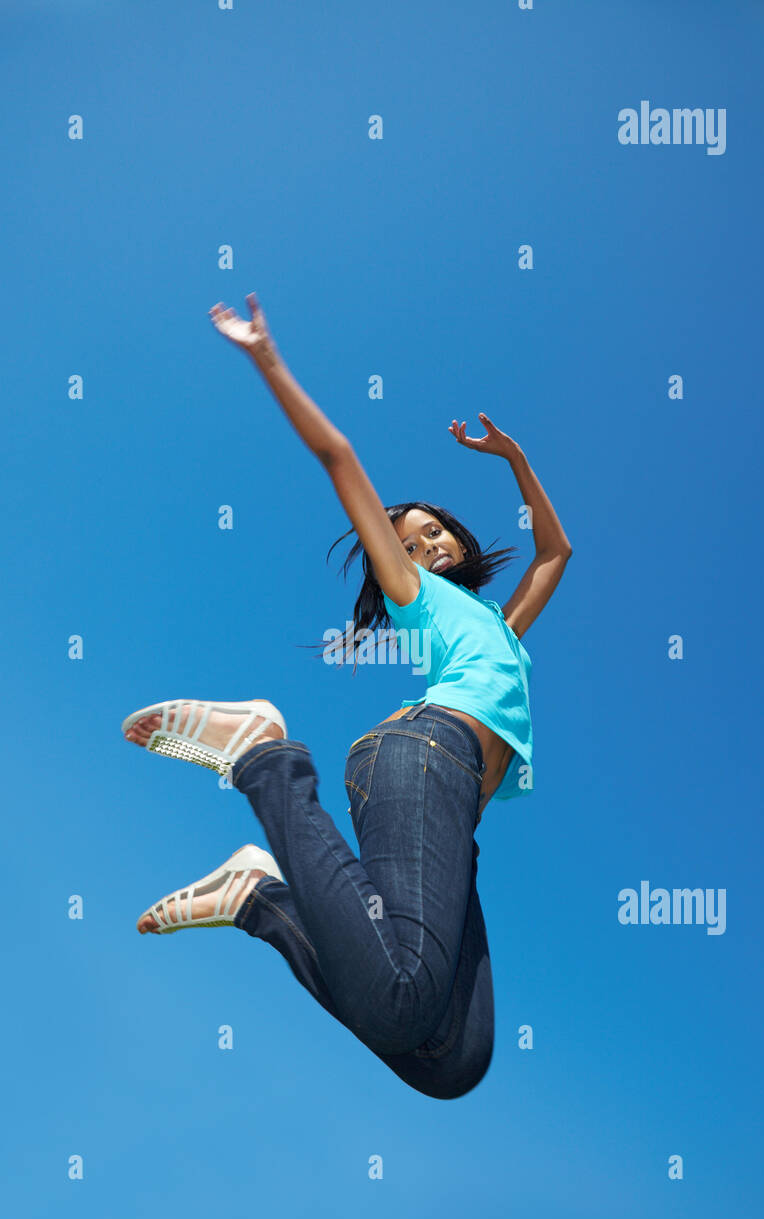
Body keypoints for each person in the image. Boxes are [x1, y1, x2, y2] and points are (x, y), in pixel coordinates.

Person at [121, 294, 572, 1100]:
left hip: (453, 804)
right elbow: (339, 456)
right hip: (423, 759)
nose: (426, 543)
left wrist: (513, 458)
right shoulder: (417, 598)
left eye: (436, 531)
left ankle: (258, 897)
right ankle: (263, 754)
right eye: (408, 541)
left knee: (452, 1062)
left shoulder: (499, 625)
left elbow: (556, 550)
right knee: (401, 1002)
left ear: (461, 542)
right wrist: (267, 358)